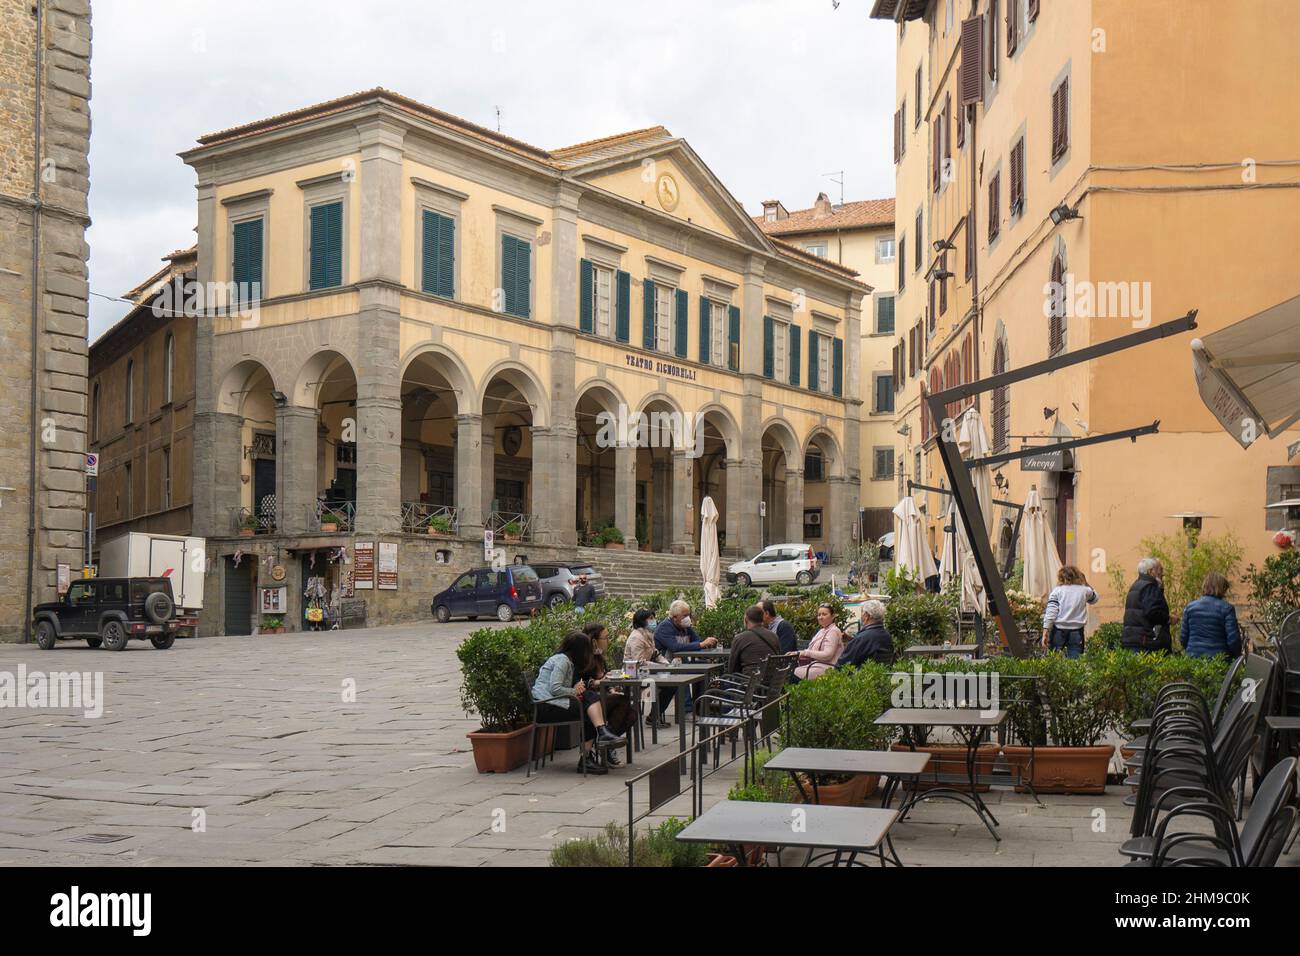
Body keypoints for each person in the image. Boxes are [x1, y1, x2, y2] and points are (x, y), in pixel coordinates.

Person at [530, 631, 625, 776]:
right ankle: (591, 749)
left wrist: (576, 688)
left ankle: (595, 744)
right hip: (547, 706)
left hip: (553, 702)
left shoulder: (565, 660)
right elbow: (555, 689)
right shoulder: (562, 661)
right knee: (588, 708)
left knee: (590, 702)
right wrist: (574, 691)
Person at [580, 622, 634, 764]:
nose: (608, 641)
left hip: (601, 697)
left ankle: (607, 742)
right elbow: (581, 682)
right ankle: (606, 742)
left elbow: (604, 679)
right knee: (622, 702)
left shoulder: (599, 657)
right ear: (594, 640)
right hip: (588, 702)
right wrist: (598, 683)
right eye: (606, 638)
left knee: (632, 713)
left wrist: (611, 688)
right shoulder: (584, 658)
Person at [623, 607, 674, 728]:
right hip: (634, 675)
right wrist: (660, 667)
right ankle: (653, 716)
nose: (654, 621)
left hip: (647, 672)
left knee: (671, 682)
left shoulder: (648, 635)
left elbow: (656, 654)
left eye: (654, 618)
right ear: (642, 621)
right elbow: (639, 662)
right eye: (651, 618)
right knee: (669, 685)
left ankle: (655, 715)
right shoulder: (636, 637)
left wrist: (667, 663)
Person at [1180, 572, 1244, 659]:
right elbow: (1233, 641)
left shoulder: (1190, 608)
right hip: (1219, 662)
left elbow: (1183, 639)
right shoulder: (1227, 609)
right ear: (1221, 588)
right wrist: (1235, 657)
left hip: (1193, 661)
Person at [1041, 565, 1098, 659]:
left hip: (1058, 630)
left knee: (1055, 661)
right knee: (1075, 663)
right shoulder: (1084, 591)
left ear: (1061, 577)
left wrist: (1045, 630)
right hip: (1077, 631)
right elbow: (1095, 599)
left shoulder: (1057, 591)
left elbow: (1051, 612)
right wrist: (1086, 583)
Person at [1122, 557, 1173, 653]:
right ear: (1151, 571)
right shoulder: (1150, 587)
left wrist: (1160, 589)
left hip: (1133, 639)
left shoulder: (1136, 585)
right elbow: (1153, 612)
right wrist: (1168, 619)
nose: (1162, 574)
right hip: (1146, 641)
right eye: (1160, 570)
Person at [791, 603, 844, 682]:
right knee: (787, 673)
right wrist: (797, 654)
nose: (820, 617)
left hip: (827, 668)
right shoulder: (822, 631)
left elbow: (828, 655)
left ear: (832, 616)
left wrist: (804, 653)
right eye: (819, 615)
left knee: (789, 675)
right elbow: (810, 651)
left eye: (824, 614)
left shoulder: (833, 631)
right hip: (816, 665)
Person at [653, 600, 718, 659]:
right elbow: (674, 647)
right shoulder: (664, 627)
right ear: (674, 617)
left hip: (683, 663)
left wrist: (707, 643)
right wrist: (701, 644)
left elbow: (697, 640)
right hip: (667, 666)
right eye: (685, 615)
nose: (688, 618)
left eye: (688, 615)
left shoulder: (685, 626)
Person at [728, 605, 782, 675]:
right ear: (762, 618)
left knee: (724, 681)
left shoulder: (740, 638)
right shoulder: (774, 636)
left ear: (746, 619)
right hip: (771, 682)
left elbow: (732, 669)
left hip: (747, 683)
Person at [837, 601, 894, 667]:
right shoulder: (887, 636)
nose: (860, 616)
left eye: (861, 613)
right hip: (878, 675)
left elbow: (842, 664)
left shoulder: (863, 638)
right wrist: (851, 640)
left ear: (867, 616)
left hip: (858, 675)